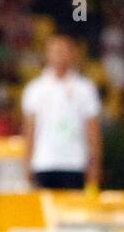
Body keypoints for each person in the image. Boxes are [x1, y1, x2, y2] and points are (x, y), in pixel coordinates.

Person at [22, 33, 101, 191]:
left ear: (73, 54)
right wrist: (27, 163)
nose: (59, 55)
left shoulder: (85, 88)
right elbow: (29, 130)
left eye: (63, 50)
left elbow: (92, 130)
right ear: (47, 54)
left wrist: (95, 165)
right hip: (44, 162)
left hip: (75, 163)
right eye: (55, 50)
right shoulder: (35, 89)